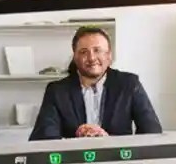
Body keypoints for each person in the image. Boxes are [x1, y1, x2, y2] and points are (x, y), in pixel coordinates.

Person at [28, 26, 164, 140]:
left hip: (118, 163)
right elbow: (42, 139)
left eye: (97, 50)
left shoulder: (129, 84)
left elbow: (152, 133)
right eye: (83, 52)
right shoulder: (57, 91)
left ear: (109, 56)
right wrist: (77, 138)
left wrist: (109, 142)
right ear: (75, 57)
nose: (91, 58)